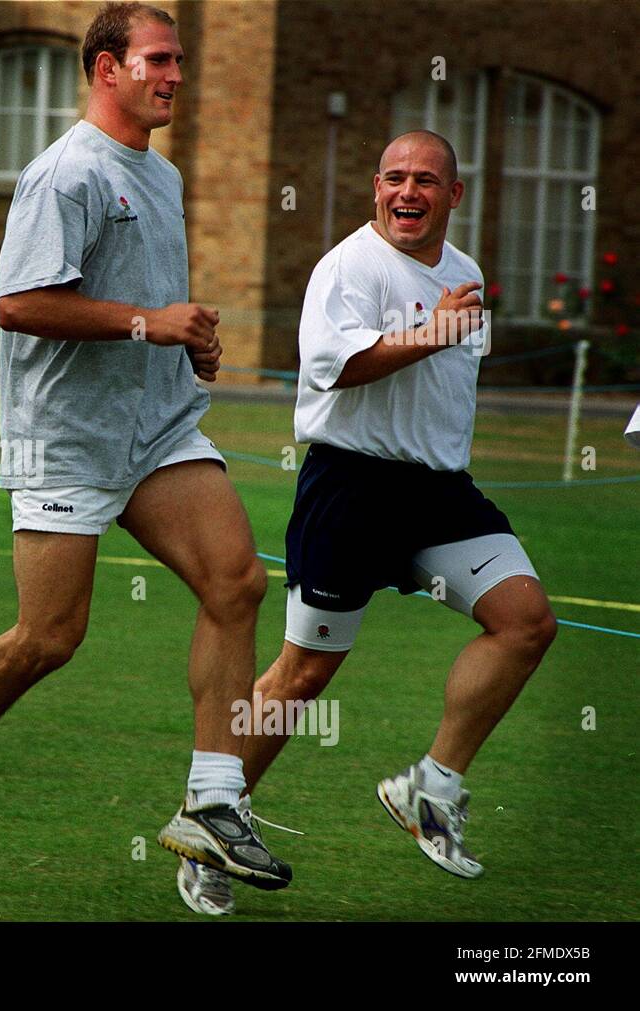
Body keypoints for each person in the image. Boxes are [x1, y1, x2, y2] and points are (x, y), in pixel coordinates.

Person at [0, 1, 291, 899]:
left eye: (179, 59)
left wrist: (188, 339)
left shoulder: (163, 175)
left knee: (239, 581)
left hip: (159, 432)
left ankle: (213, 803)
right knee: (50, 637)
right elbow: (21, 303)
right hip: (62, 439)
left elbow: (146, 305)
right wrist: (154, 322)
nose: (174, 75)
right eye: (157, 60)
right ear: (107, 69)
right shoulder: (63, 175)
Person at [192, 130, 556, 915]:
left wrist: (443, 335)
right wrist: (433, 333)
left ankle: (432, 787)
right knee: (301, 676)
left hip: (438, 494)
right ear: (375, 187)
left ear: (454, 195)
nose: (408, 192)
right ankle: (211, 819)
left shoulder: (467, 275)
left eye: (426, 180)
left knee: (526, 623)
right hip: (350, 487)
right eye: (394, 177)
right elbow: (340, 366)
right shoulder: (347, 267)